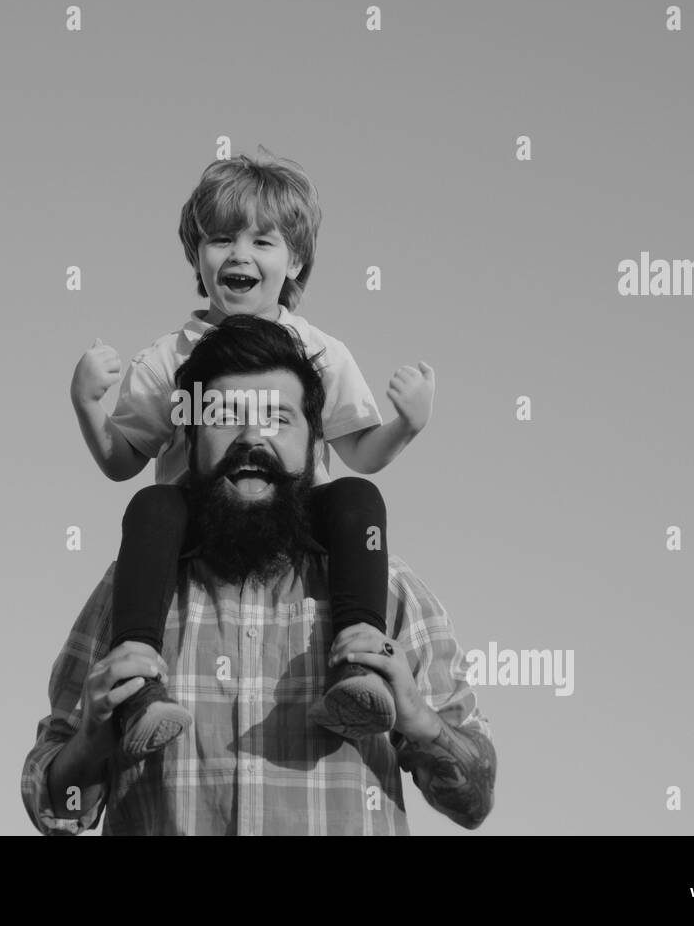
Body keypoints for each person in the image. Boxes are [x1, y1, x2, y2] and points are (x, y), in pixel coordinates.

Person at [27, 315, 494, 835]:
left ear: (315, 441)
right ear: (191, 438)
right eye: (224, 416)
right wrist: (92, 739)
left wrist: (416, 718)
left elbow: (474, 799)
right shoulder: (131, 591)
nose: (252, 437)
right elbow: (59, 808)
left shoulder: (385, 586)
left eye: (278, 418)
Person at [69, 150, 436, 759]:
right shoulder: (168, 359)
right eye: (220, 239)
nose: (240, 254)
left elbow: (360, 454)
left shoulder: (318, 351)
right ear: (197, 257)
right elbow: (122, 461)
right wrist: (86, 404)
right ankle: (139, 682)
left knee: (357, 497)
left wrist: (407, 424)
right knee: (152, 505)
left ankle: (359, 664)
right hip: (201, 521)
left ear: (294, 261)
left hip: (288, 518)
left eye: (262, 241)